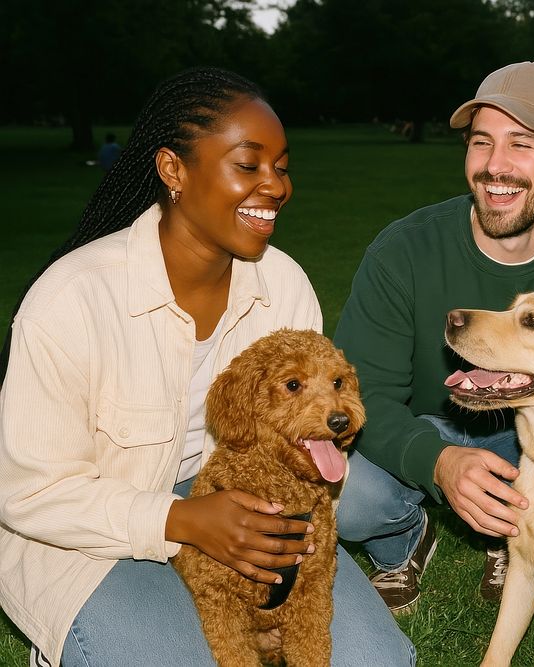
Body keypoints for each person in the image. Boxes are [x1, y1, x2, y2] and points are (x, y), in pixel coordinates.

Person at [0, 66, 414, 667]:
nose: (275, 186)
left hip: (234, 494)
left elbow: (310, 422)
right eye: (249, 165)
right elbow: (29, 493)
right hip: (86, 538)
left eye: (282, 165)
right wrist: (182, 518)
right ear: (174, 170)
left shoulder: (284, 284)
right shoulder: (70, 301)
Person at [333, 61, 534, 613]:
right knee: (347, 499)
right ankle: (406, 539)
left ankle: (514, 534)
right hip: (433, 427)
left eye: (521, 145)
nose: (494, 167)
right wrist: (438, 461)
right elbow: (358, 395)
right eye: (482, 143)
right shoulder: (404, 250)